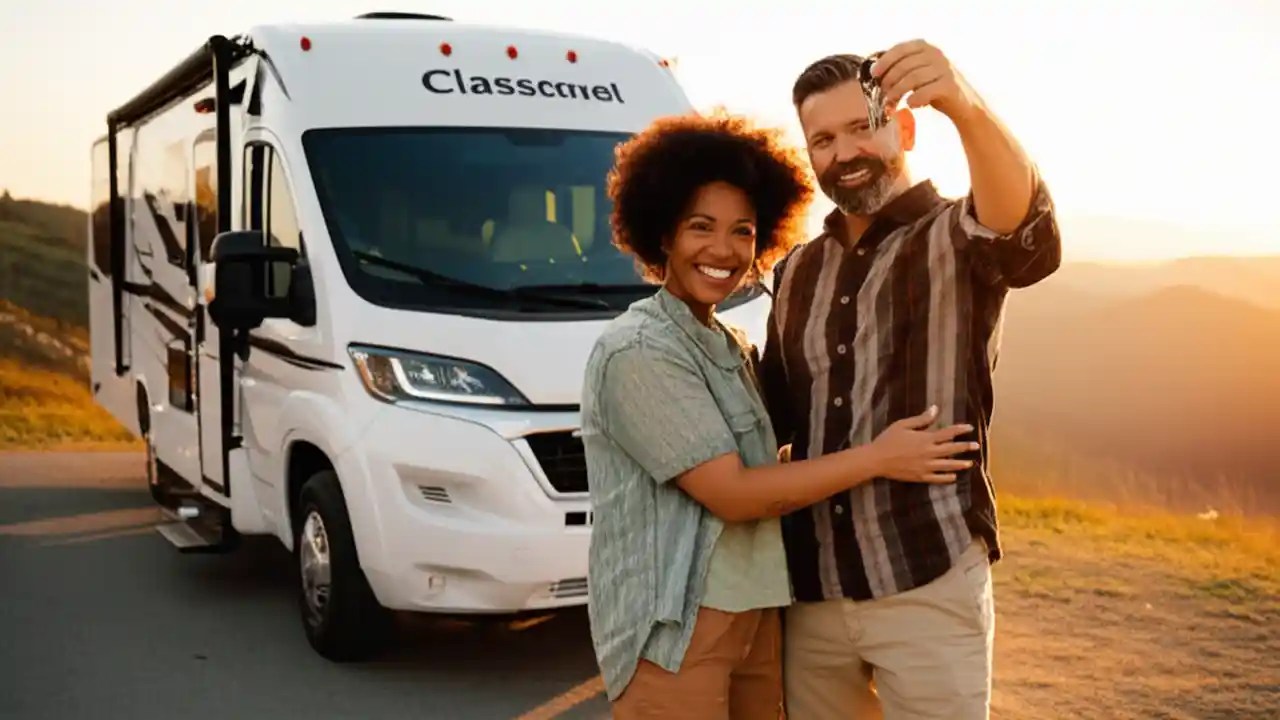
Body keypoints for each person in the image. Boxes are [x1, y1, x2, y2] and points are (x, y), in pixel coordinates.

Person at [579, 110, 981, 719]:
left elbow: (772, 459)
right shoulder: (638, 351)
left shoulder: (729, 348)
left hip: (759, 614)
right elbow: (735, 494)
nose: (723, 250)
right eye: (700, 227)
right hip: (674, 631)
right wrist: (878, 458)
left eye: (742, 231)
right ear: (662, 234)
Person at [758, 41, 1064, 719]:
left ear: (904, 128)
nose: (845, 152)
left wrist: (964, 101)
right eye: (824, 140)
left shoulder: (957, 234)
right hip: (813, 588)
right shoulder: (798, 270)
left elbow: (1029, 241)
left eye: (862, 127)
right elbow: (771, 417)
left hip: (928, 571)